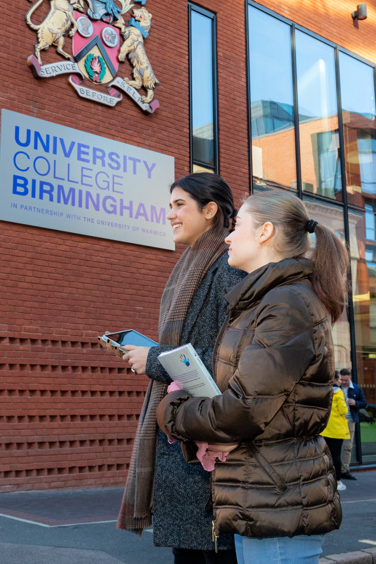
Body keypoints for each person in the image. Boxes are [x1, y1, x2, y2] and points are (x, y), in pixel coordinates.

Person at [158, 190, 348, 563]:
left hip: (275, 499)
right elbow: (264, 404)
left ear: (264, 232)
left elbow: (244, 409)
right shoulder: (270, 300)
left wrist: (173, 409)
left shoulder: (286, 304)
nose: (228, 237)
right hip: (262, 495)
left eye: (236, 225)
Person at [117, 173, 245, 563]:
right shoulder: (189, 266)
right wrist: (155, 353)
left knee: (211, 554)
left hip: (208, 443)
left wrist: (155, 358)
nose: (170, 214)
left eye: (179, 205)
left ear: (209, 211)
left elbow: (235, 356)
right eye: (169, 205)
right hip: (184, 434)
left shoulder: (229, 266)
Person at [321, 371, 350, 491]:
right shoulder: (338, 393)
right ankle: (337, 482)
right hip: (336, 429)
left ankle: (325, 480)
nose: (340, 382)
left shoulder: (322, 391)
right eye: (339, 380)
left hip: (324, 429)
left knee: (325, 455)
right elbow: (343, 410)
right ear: (335, 380)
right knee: (336, 455)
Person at [337, 369, 365, 480]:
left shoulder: (356, 388)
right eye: (342, 379)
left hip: (349, 420)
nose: (343, 382)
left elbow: (364, 403)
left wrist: (356, 403)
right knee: (336, 447)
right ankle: (335, 470)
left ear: (350, 378)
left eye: (346, 380)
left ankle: (344, 470)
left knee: (348, 447)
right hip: (337, 421)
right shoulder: (335, 388)